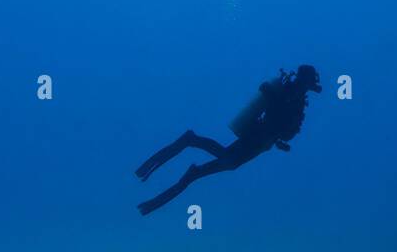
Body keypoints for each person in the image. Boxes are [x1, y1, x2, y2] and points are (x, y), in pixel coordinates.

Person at [135, 66, 322, 215]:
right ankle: (191, 142)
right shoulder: (288, 95)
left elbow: (285, 127)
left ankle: (187, 164)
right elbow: (275, 112)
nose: (308, 87)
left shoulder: (295, 100)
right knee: (227, 160)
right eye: (308, 82)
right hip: (256, 138)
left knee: (227, 162)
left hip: (261, 141)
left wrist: (281, 139)